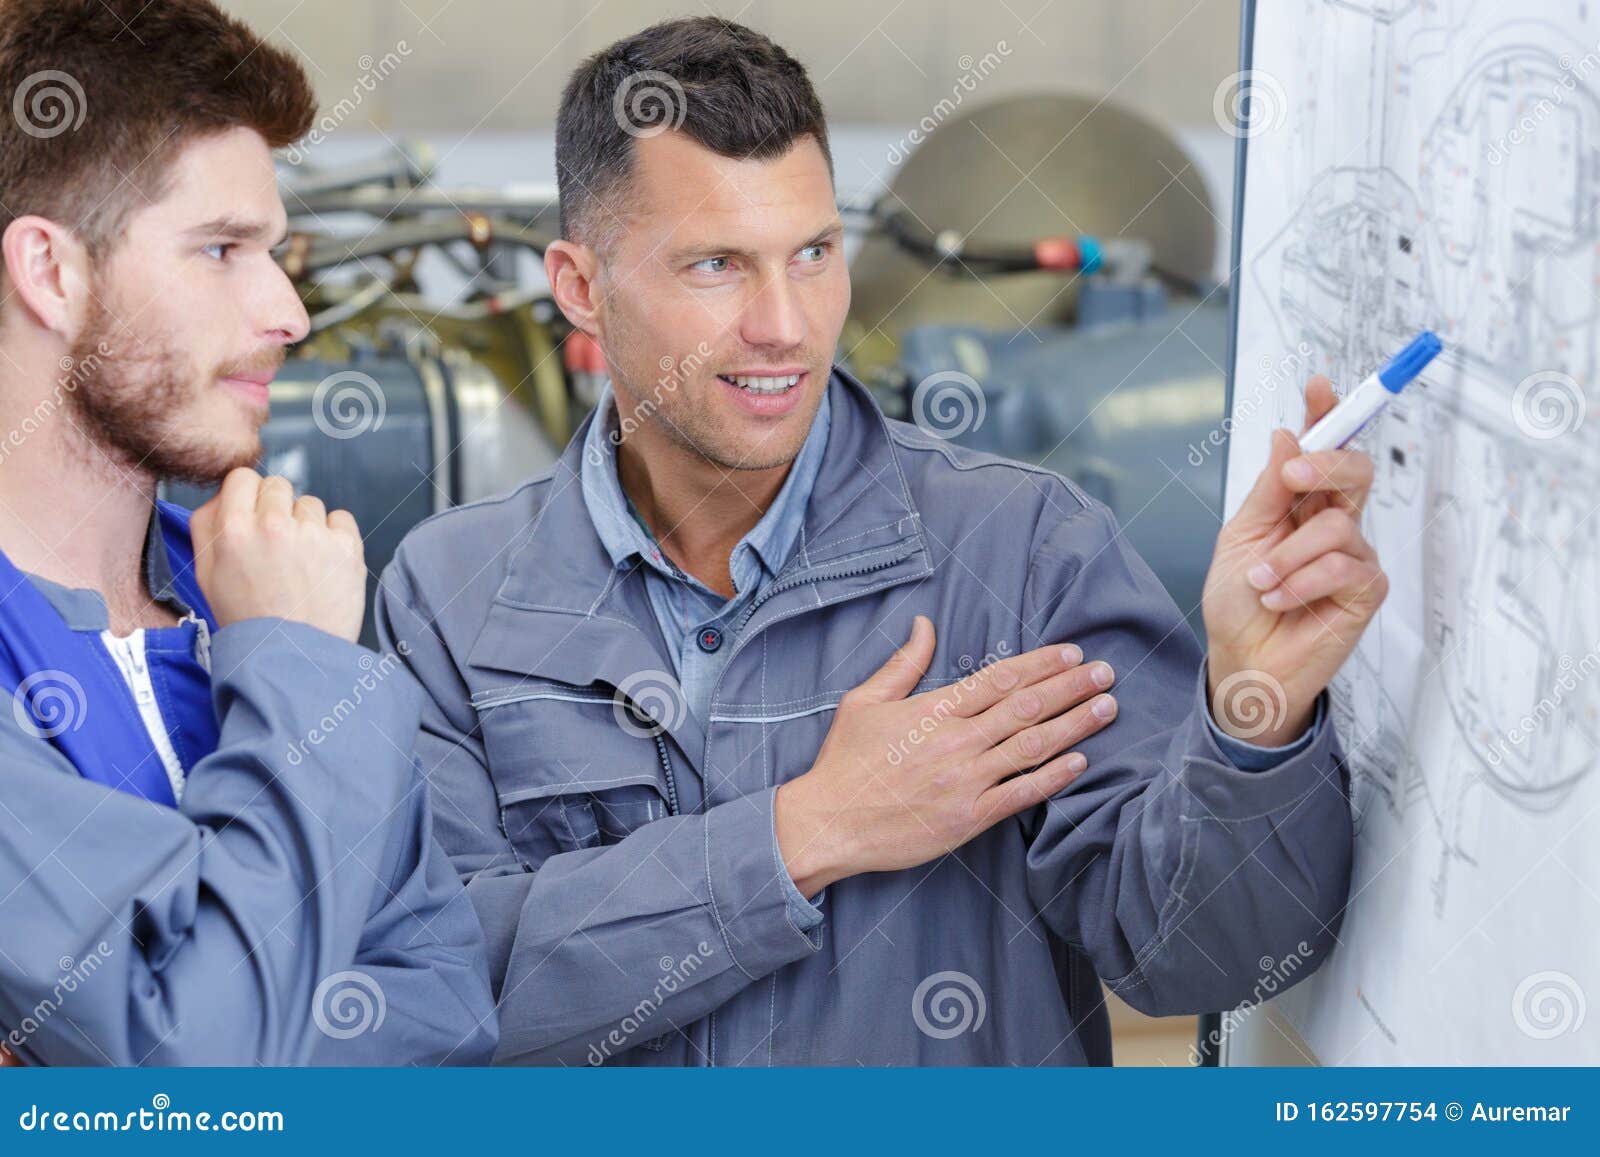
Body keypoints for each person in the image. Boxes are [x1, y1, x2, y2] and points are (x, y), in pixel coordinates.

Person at [376, 16, 1385, 1065]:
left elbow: (1200, 957)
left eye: (811, 253)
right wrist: (807, 831)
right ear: (580, 286)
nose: (786, 324)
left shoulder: (1022, 552)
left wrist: (1251, 720)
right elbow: (442, 992)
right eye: (717, 264)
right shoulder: (452, 594)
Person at [0, 0, 496, 1066]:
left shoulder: (255, 597)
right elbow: (191, 1069)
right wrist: (306, 667)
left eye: (277, 250)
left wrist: (165, 1029)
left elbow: (447, 1014)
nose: (289, 310)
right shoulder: (294, 636)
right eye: (222, 249)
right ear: (50, 272)